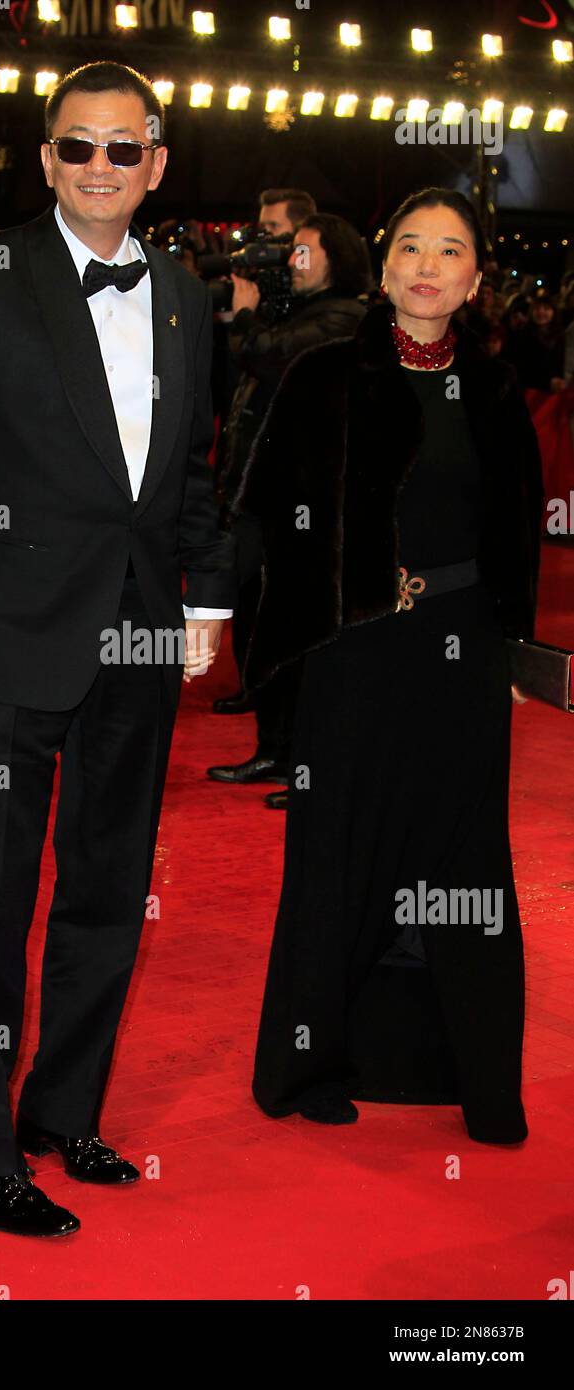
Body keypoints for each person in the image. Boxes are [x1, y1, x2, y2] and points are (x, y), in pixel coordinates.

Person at [0, 61, 234, 1239]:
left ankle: (64, 1110)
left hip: (136, 626)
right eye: (77, 146)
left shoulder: (183, 294)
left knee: (109, 887)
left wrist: (207, 597)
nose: (99, 167)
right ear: (46, 159)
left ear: (156, 163)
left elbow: (191, 465)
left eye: (123, 148)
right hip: (11, 630)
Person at [236, 187, 543, 1145]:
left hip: (461, 653)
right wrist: (278, 636)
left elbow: (516, 534)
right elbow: (266, 511)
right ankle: (312, 1061)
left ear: (475, 278)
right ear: (384, 264)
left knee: (463, 859)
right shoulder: (323, 374)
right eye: (410, 245)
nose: (426, 265)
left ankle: (475, 1077)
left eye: (449, 250)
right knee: (338, 851)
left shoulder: (495, 390)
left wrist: (509, 649)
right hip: (352, 651)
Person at [209, 213, 370, 805]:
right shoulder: (295, 312)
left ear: (336, 258)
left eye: (302, 251)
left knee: (303, 641)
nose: (289, 261)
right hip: (261, 497)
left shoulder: (346, 317)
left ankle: (307, 767)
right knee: (260, 627)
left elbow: (274, 358)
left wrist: (246, 315)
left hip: (308, 506)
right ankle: (275, 751)